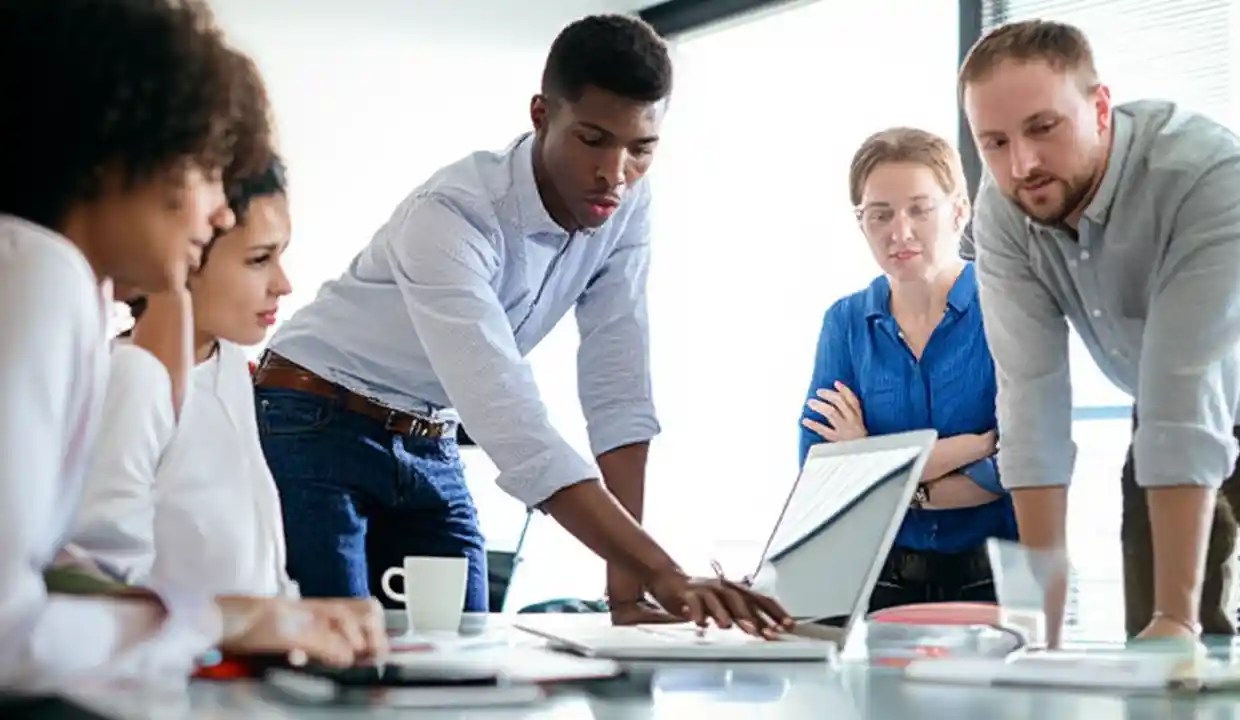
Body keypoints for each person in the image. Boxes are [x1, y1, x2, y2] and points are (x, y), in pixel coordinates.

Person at [254, 13, 790, 634]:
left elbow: (617, 393)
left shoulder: (626, 205)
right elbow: (512, 422)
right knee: (336, 654)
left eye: (641, 149)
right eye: (592, 139)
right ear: (541, 115)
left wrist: (629, 593)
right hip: (313, 415)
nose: (614, 174)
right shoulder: (452, 216)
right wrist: (667, 572)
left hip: (430, 435)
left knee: (463, 652)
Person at [0, 0, 370, 690]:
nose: (220, 208)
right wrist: (218, 620)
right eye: (203, 166)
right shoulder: (38, 276)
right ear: (122, 151)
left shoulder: (63, 287)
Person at [961, 19, 1240, 647]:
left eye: (1042, 128)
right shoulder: (1004, 210)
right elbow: (1030, 401)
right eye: (993, 142)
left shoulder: (1205, 169)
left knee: (1176, 623)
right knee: (1152, 650)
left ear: (1100, 107)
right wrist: (1038, 628)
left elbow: (1191, 385)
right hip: (1158, 412)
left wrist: (1178, 619)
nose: (1021, 164)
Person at [800, 127, 1017, 612]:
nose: (900, 232)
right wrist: (967, 449)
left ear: (959, 210)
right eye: (880, 215)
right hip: (882, 587)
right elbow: (823, 477)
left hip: (999, 585)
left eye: (920, 209)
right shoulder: (846, 323)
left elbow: (1016, 464)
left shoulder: (1007, 306)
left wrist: (871, 460)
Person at [72, 156, 298, 597]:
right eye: (259, 259)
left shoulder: (228, 363)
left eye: (280, 256)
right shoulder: (127, 381)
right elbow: (102, 583)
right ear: (189, 254)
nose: (283, 283)